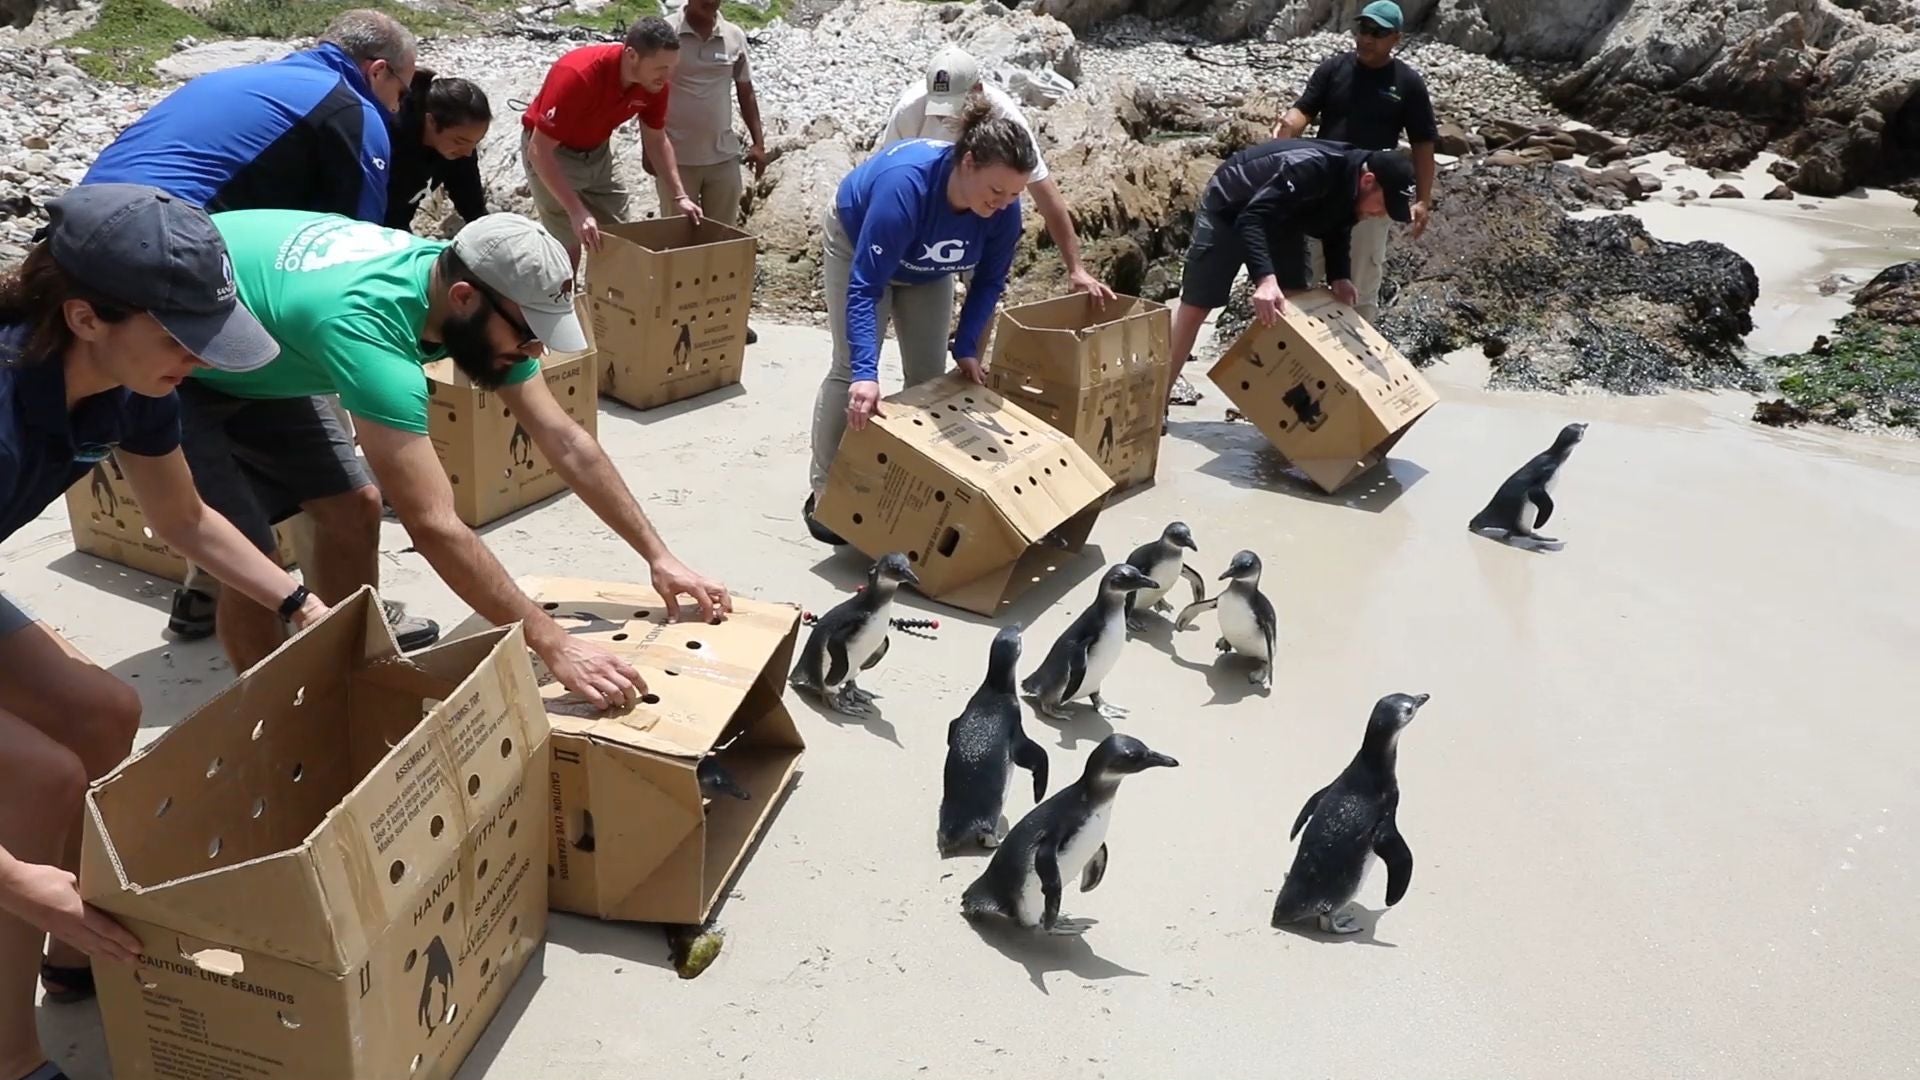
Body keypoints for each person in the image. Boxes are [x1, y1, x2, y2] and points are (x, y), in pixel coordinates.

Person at [0, 184, 328, 1080]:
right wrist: (15, 879)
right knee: (37, 778)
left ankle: (70, 952)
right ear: (84, 317)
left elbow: (182, 516)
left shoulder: (131, 380)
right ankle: (12, 1054)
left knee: (107, 713)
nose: (200, 358)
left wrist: (297, 603)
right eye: (182, 336)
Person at [180, 207, 731, 706]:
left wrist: (659, 555)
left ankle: (345, 673)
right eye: (529, 333)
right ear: (465, 297)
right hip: (182, 355)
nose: (536, 351)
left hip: (270, 345)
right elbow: (433, 525)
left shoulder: (470, 292)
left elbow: (563, 438)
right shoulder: (372, 339)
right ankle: (270, 713)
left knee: (355, 507)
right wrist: (554, 643)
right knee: (251, 557)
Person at [802, 93, 1037, 546]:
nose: (1004, 203)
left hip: (928, 266)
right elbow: (865, 286)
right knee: (850, 371)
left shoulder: (1003, 211)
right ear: (968, 163)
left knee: (930, 376)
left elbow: (990, 282)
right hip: (858, 244)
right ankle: (825, 490)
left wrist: (967, 347)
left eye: (1014, 194)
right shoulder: (905, 188)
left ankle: (912, 486)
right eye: (996, 191)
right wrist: (868, 373)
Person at [79, 9, 416, 225]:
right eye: (401, 93)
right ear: (378, 71)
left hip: (76, 211)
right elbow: (357, 239)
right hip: (158, 229)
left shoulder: (237, 76)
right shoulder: (352, 108)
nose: (397, 108)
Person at [1166, 138, 1418, 401]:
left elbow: (1338, 228)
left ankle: (1278, 408)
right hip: (1230, 205)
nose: (1382, 214)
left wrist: (1339, 277)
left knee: (1294, 303)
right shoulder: (1314, 168)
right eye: (1385, 204)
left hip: (1282, 219)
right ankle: (1155, 403)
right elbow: (1252, 218)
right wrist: (1265, 279)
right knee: (1197, 307)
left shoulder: (1354, 185)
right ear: (1368, 181)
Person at [877, 45, 1114, 305]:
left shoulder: (1004, 116)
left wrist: (1075, 268)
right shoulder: (910, 110)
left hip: (985, 207)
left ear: (978, 90)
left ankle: (976, 330)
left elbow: (1042, 188)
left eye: (955, 106)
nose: (947, 116)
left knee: (985, 284)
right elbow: (887, 175)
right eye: (940, 107)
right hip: (926, 204)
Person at [1269, 0, 1438, 323]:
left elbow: (1423, 143)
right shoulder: (1334, 69)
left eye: (1377, 33)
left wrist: (1423, 200)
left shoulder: (1407, 83)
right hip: (1323, 191)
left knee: (1358, 290)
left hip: (1372, 198)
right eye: (1363, 29)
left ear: (1396, 39)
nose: (1366, 38)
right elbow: (1304, 110)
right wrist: (1288, 127)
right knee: (1302, 281)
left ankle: (1358, 351)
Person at [521, 16, 704, 268]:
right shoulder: (579, 74)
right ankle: (564, 292)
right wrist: (576, 211)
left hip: (598, 152)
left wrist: (679, 196)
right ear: (632, 55)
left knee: (622, 237)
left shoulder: (654, 85)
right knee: (567, 246)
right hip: (553, 153)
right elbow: (539, 150)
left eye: (672, 67)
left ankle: (611, 293)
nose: (667, 75)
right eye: (661, 67)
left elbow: (656, 140)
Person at [654, 0, 766, 342]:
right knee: (677, 241)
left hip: (722, 157)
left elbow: (745, 91)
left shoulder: (733, 36)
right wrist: (649, 148)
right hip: (676, 160)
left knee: (723, 242)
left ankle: (725, 316)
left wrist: (759, 143)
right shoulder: (666, 32)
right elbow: (647, 87)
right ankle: (674, 318)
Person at [385, 69, 493, 233]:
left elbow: (472, 206)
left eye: (475, 143)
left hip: (397, 228)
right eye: (460, 142)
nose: (467, 152)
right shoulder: (390, 139)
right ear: (431, 121)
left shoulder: (459, 150)